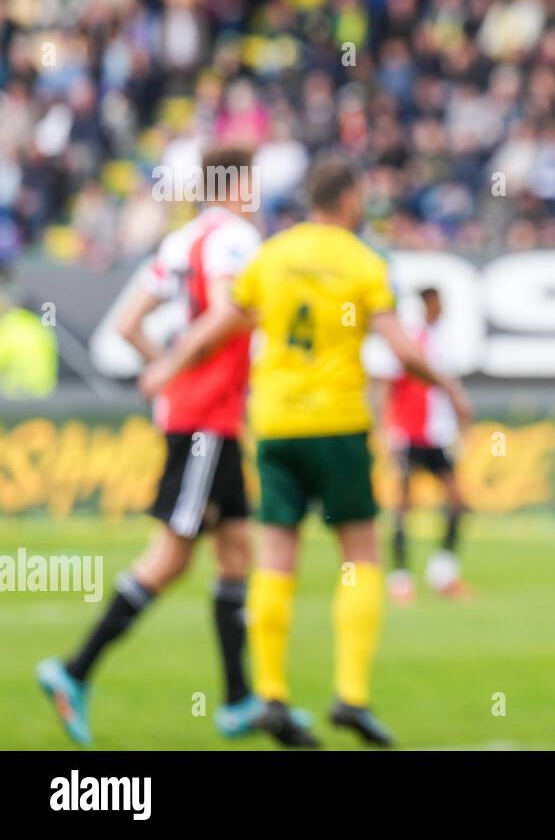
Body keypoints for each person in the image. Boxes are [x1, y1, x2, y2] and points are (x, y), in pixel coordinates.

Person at [141, 158, 470, 748]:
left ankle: (270, 693)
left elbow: (222, 325)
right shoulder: (365, 263)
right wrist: (449, 386)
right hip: (339, 424)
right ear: (347, 200)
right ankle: (352, 695)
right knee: (359, 550)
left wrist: (168, 363)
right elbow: (402, 348)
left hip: (275, 424)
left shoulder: (272, 256)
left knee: (275, 553)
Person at [37, 146, 266, 744]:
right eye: (252, 182)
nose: (256, 194)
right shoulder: (235, 239)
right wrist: (176, 369)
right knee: (170, 556)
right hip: (206, 418)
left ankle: (239, 700)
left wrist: (164, 365)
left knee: (236, 548)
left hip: (204, 418)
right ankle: (73, 670)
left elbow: (127, 321)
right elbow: (229, 312)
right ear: (234, 184)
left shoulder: (180, 242)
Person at [380, 287, 473, 604]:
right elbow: (389, 388)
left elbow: (452, 395)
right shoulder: (409, 342)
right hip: (409, 435)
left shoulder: (443, 343)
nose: (440, 309)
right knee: (403, 506)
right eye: (437, 303)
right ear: (426, 305)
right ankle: (401, 579)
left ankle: (442, 573)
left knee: (458, 502)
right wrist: (387, 430)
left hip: (438, 437)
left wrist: (460, 429)